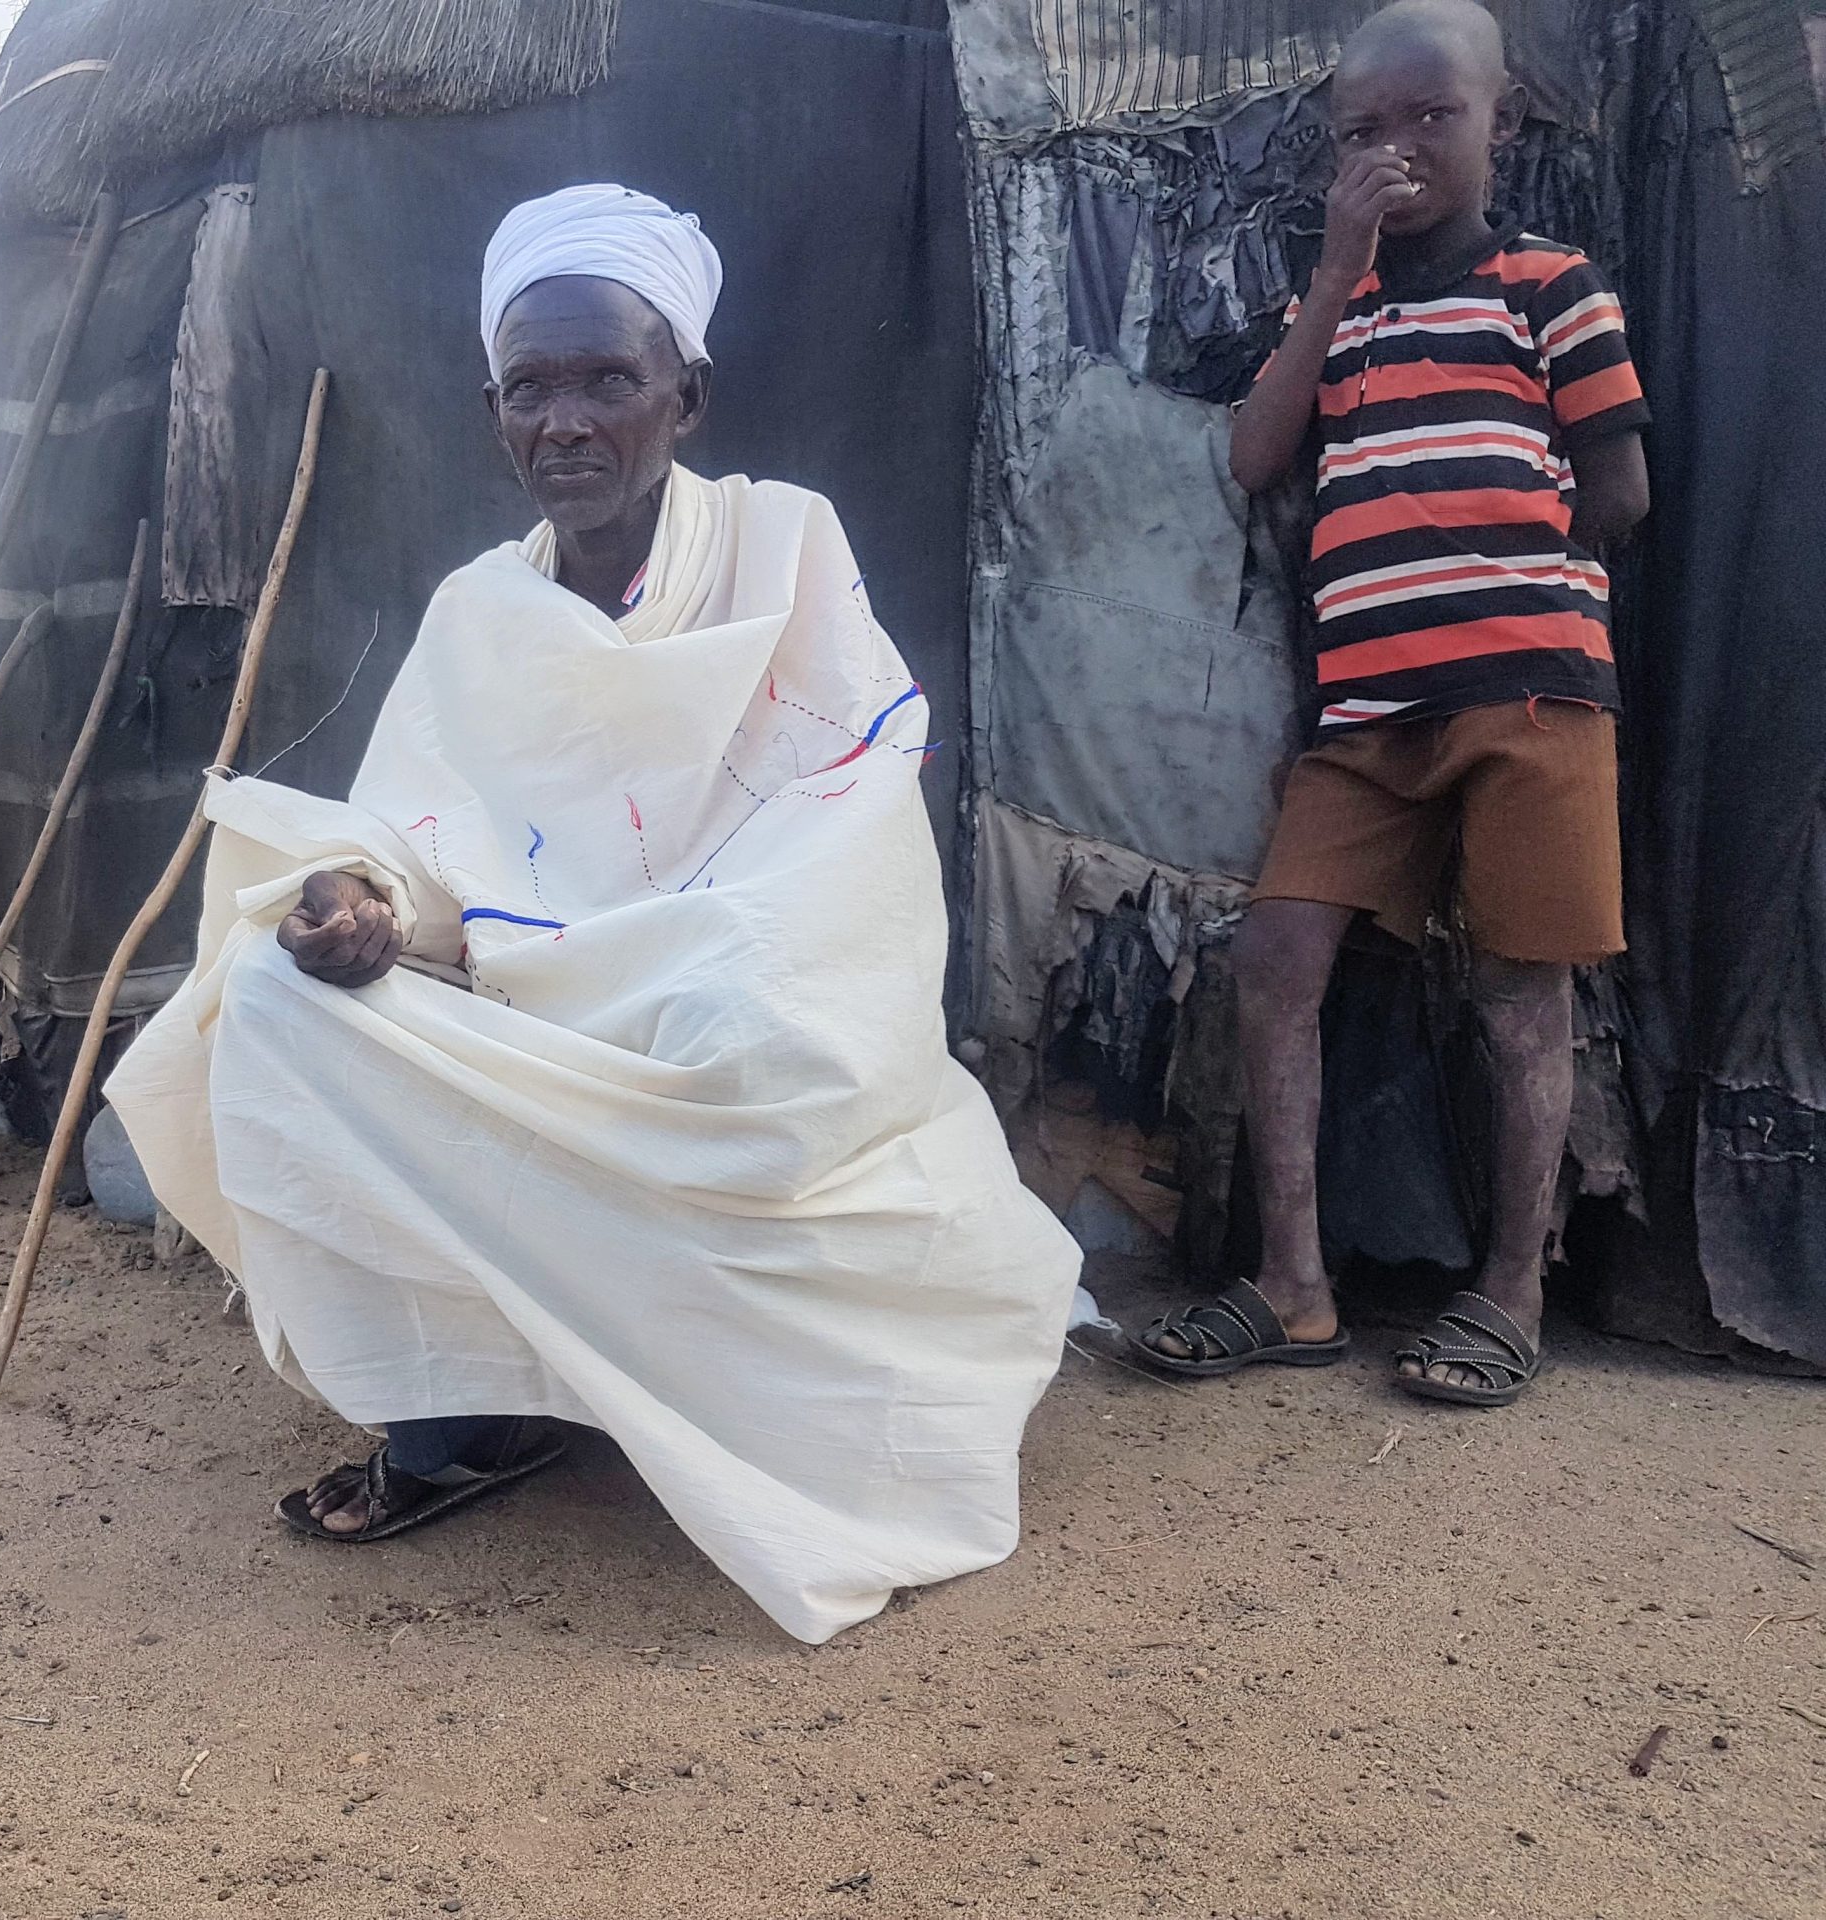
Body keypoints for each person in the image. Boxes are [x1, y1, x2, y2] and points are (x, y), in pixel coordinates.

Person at [105, 183, 1081, 1643]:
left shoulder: (783, 549)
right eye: (532, 387)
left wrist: (685, 957)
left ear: (687, 393)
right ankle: (470, 1416)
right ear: (492, 409)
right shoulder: (475, 610)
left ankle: (725, 1402)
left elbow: (848, 810)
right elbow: (414, 840)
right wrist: (355, 906)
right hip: (529, 999)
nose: (567, 419)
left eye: (608, 379)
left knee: (744, 1017)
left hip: (731, 981)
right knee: (274, 1003)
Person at [1131, 0, 1651, 1405]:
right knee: (1278, 959)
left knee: (1520, 993)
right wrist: (1335, 274)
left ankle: (1512, 1292)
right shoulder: (1340, 312)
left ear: (1505, 124)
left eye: (1434, 116)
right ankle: (1295, 1288)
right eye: (1366, 130)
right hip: (1363, 718)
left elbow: (1619, 491)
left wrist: (1508, 591)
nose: (1401, 147)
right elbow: (1253, 456)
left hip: (1529, 698)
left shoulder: (1555, 286)